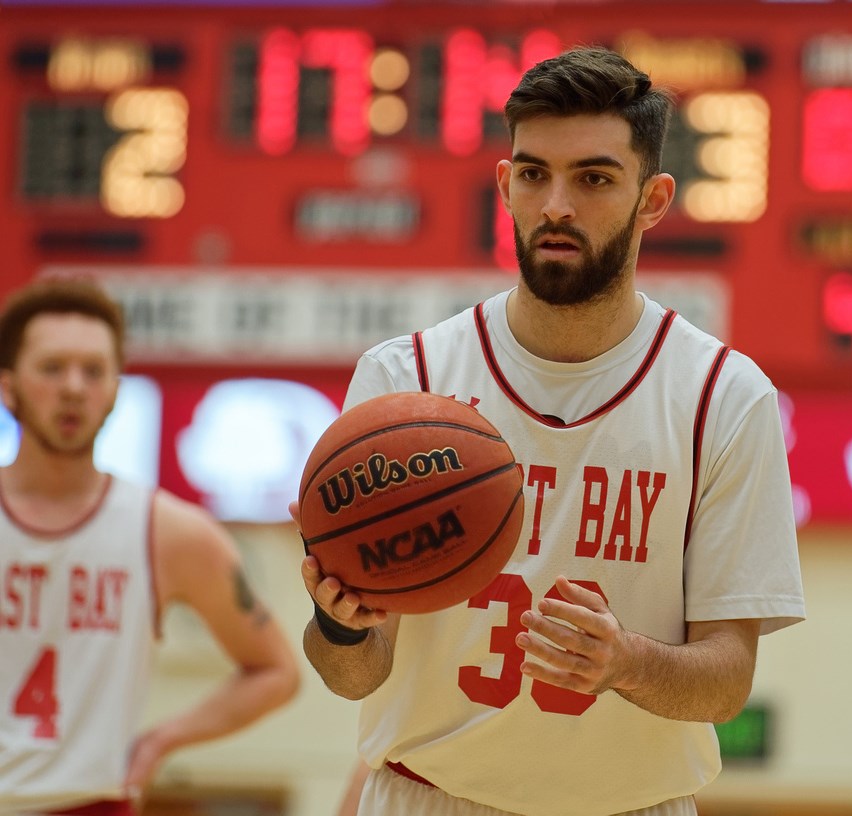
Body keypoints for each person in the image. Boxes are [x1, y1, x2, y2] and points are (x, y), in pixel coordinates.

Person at [300, 46, 805, 816]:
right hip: (425, 796)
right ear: (505, 186)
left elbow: (727, 680)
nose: (556, 205)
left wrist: (626, 661)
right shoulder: (408, 381)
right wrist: (336, 630)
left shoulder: (721, 397)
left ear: (653, 199)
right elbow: (353, 677)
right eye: (533, 174)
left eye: (594, 179)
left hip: (636, 805)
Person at [0, 277, 301, 816]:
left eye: (93, 370)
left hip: (85, 801)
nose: (73, 386)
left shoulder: (167, 530)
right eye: (51, 367)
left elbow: (276, 670)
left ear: (116, 387)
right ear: (8, 385)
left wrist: (162, 739)